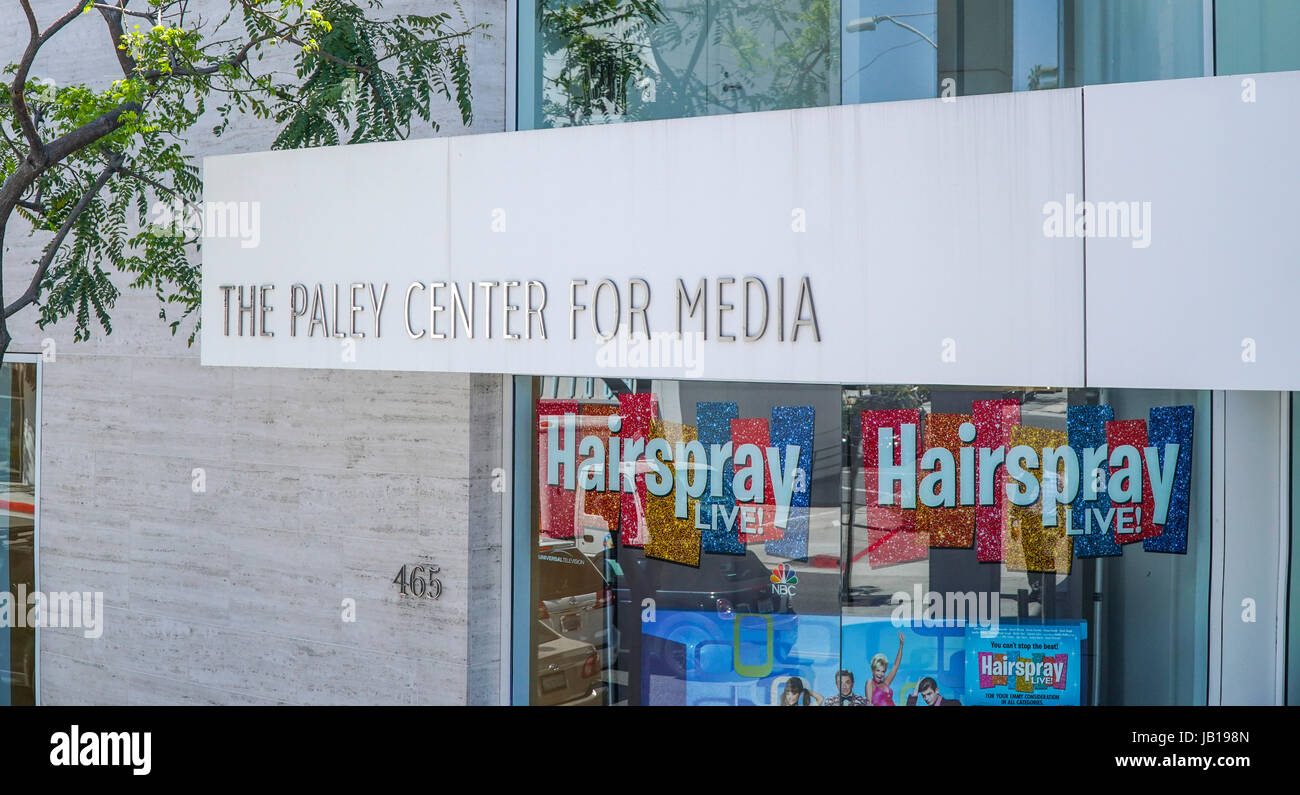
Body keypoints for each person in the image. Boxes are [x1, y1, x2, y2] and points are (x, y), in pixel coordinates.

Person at [865, 631, 904, 706]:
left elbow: (896, 666)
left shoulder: (886, 682)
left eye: (883, 671)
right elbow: (868, 704)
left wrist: (901, 645)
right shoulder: (870, 683)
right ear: (872, 670)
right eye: (878, 670)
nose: (880, 674)